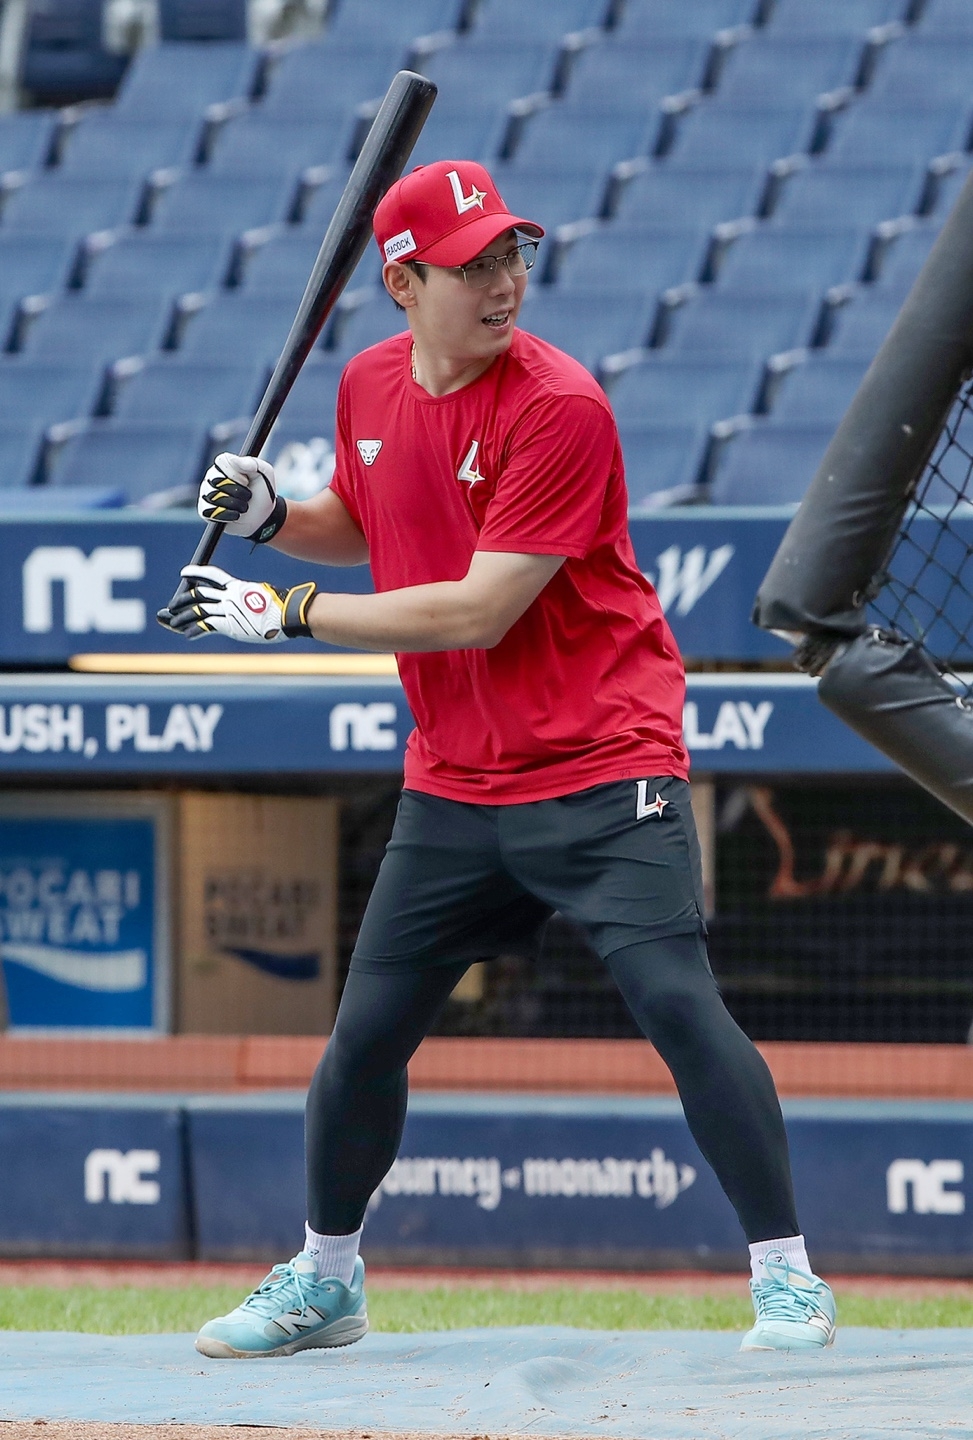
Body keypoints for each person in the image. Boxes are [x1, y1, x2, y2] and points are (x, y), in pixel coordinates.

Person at [171, 160, 836, 1359]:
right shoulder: (369, 381)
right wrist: (277, 513)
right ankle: (328, 1279)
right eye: (473, 263)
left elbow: (477, 608)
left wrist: (287, 612)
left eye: (512, 255)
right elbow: (376, 522)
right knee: (364, 1037)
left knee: (676, 1005)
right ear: (402, 281)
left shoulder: (560, 403)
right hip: (458, 774)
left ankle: (788, 1278)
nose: (504, 281)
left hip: (600, 755)